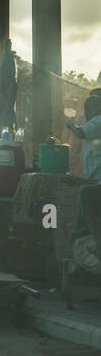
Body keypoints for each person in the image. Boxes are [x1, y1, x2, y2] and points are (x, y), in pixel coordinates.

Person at [67, 95, 101, 251]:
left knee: (86, 202)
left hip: (97, 178)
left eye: (88, 107)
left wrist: (71, 125)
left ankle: (80, 238)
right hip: (95, 177)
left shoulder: (97, 121)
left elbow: (80, 133)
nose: (86, 111)